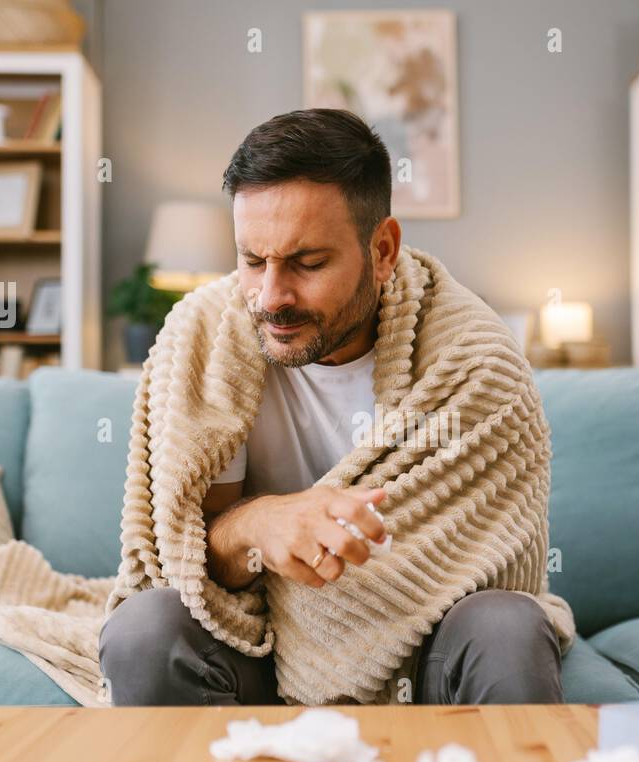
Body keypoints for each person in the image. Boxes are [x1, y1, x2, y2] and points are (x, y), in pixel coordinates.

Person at [99, 108, 570, 707]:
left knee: (507, 625)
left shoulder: (473, 363)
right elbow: (190, 555)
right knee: (146, 628)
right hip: (255, 648)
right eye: (251, 260)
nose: (271, 297)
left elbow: (494, 567)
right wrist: (258, 524)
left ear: (382, 250)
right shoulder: (205, 344)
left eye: (308, 263)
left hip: (424, 650)